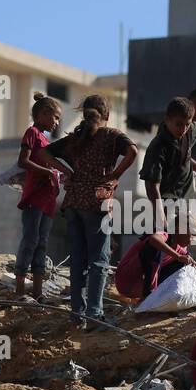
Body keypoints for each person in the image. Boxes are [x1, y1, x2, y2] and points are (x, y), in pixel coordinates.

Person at [45, 95, 138, 326]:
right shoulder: (112, 136)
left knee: (78, 259)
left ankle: (77, 314)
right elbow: (133, 152)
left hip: (74, 204)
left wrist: (67, 172)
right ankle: (94, 315)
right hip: (97, 204)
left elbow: (43, 153)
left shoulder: (75, 137)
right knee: (98, 261)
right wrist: (115, 175)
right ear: (106, 115)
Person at [139, 94, 196, 232]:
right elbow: (152, 186)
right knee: (163, 247)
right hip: (166, 206)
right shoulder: (158, 147)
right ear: (167, 120)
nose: (183, 129)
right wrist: (160, 215)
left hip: (185, 204)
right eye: (179, 124)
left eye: (187, 124)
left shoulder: (188, 131)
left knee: (182, 247)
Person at [15, 93, 63, 301]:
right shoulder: (32, 133)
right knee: (30, 240)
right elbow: (23, 161)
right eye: (56, 117)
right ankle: (19, 291)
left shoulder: (46, 141)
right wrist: (47, 173)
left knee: (42, 242)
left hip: (48, 201)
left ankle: (37, 292)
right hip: (34, 199)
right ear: (43, 114)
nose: (57, 122)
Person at [113, 228, 196, 303]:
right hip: (126, 280)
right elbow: (153, 239)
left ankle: (159, 295)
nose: (191, 240)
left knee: (186, 264)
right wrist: (178, 256)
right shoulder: (165, 235)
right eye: (191, 235)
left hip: (138, 289)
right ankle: (148, 295)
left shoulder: (182, 250)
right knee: (154, 248)